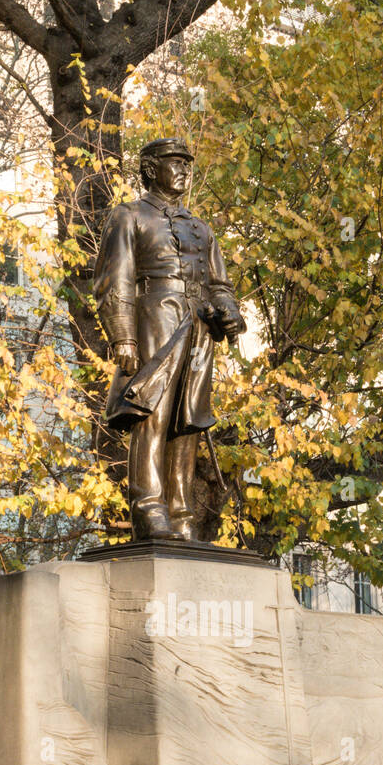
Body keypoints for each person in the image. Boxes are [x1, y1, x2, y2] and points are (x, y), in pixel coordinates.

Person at [93, 138, 246, 541]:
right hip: (154, 319)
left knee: (189, 420)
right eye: (174, 162)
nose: (183, 170)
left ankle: (181, 513)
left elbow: (219, 283)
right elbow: (115, 280)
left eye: (187, 164)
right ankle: (148, 506)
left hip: (198, 327)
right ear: (149, 168)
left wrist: (228, 310)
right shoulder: (128, 216)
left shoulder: (201, 227)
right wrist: (122, 337)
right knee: (152, 413)